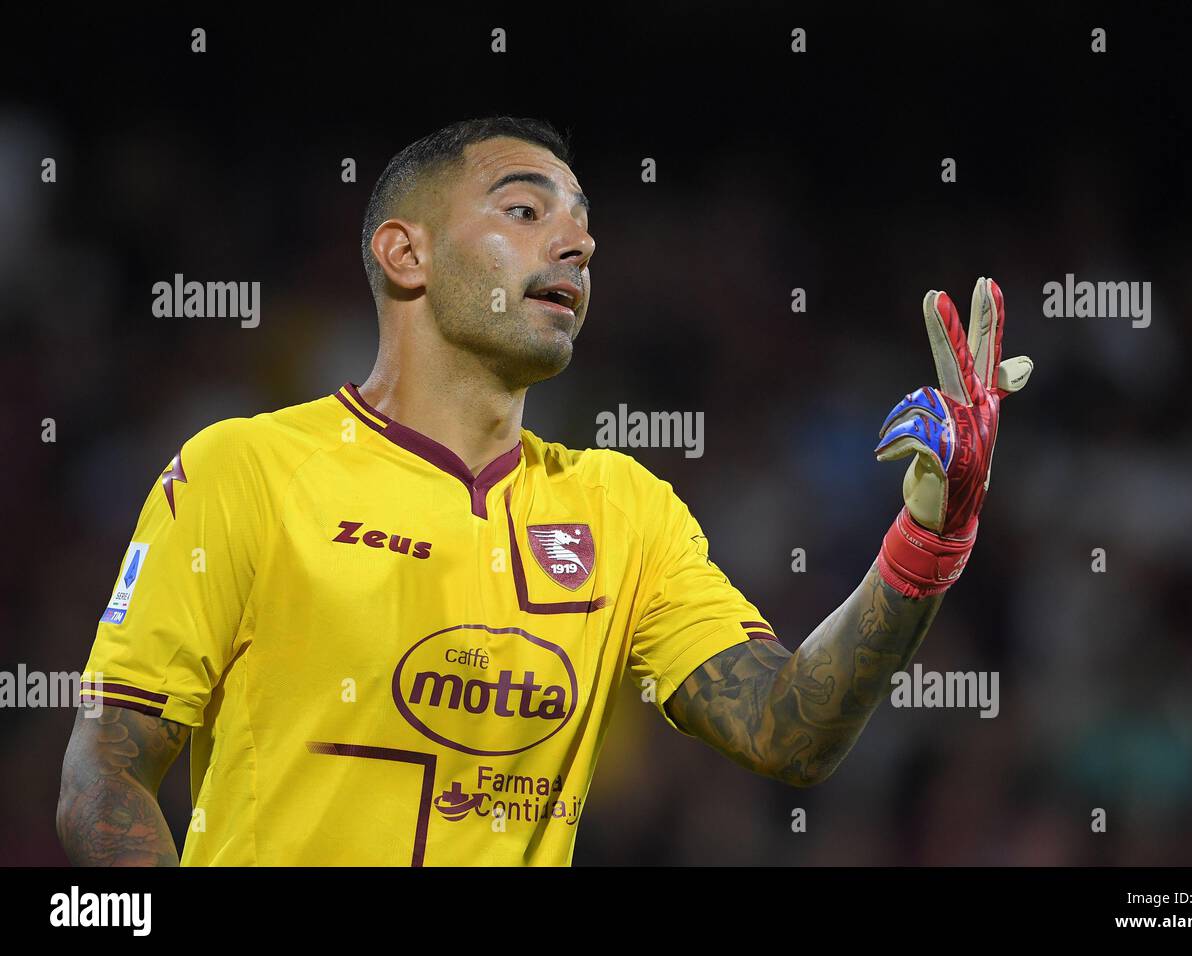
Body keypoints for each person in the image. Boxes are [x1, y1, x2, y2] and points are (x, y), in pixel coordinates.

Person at [56, 116, 1031, 866]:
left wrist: (926, 539)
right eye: (525, 213)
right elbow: (103, 774)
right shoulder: (244, 470)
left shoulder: (624, 508)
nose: (576, 245)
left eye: (582, 226)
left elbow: (790, 728)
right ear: (407, 253)